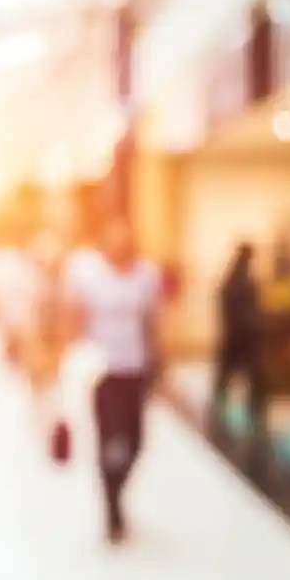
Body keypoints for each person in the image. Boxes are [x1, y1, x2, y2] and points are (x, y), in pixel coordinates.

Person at [67, 221, 163, 545]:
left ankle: (118, 489)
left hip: (134, 368)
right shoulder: (90, 278)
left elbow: (153, 320)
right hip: (101, 370)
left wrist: (159, 362)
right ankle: (111, 508)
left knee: (135, 440)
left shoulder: (147, 276)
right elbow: (76, 320)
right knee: (108, 437)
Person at [211, 243, 266, 444]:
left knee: (228, 381)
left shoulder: (232, 280)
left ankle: (251, 417)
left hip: (236, 339)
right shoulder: (242, 282)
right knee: (247, 379)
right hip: (242, 339)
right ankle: (254, 418)